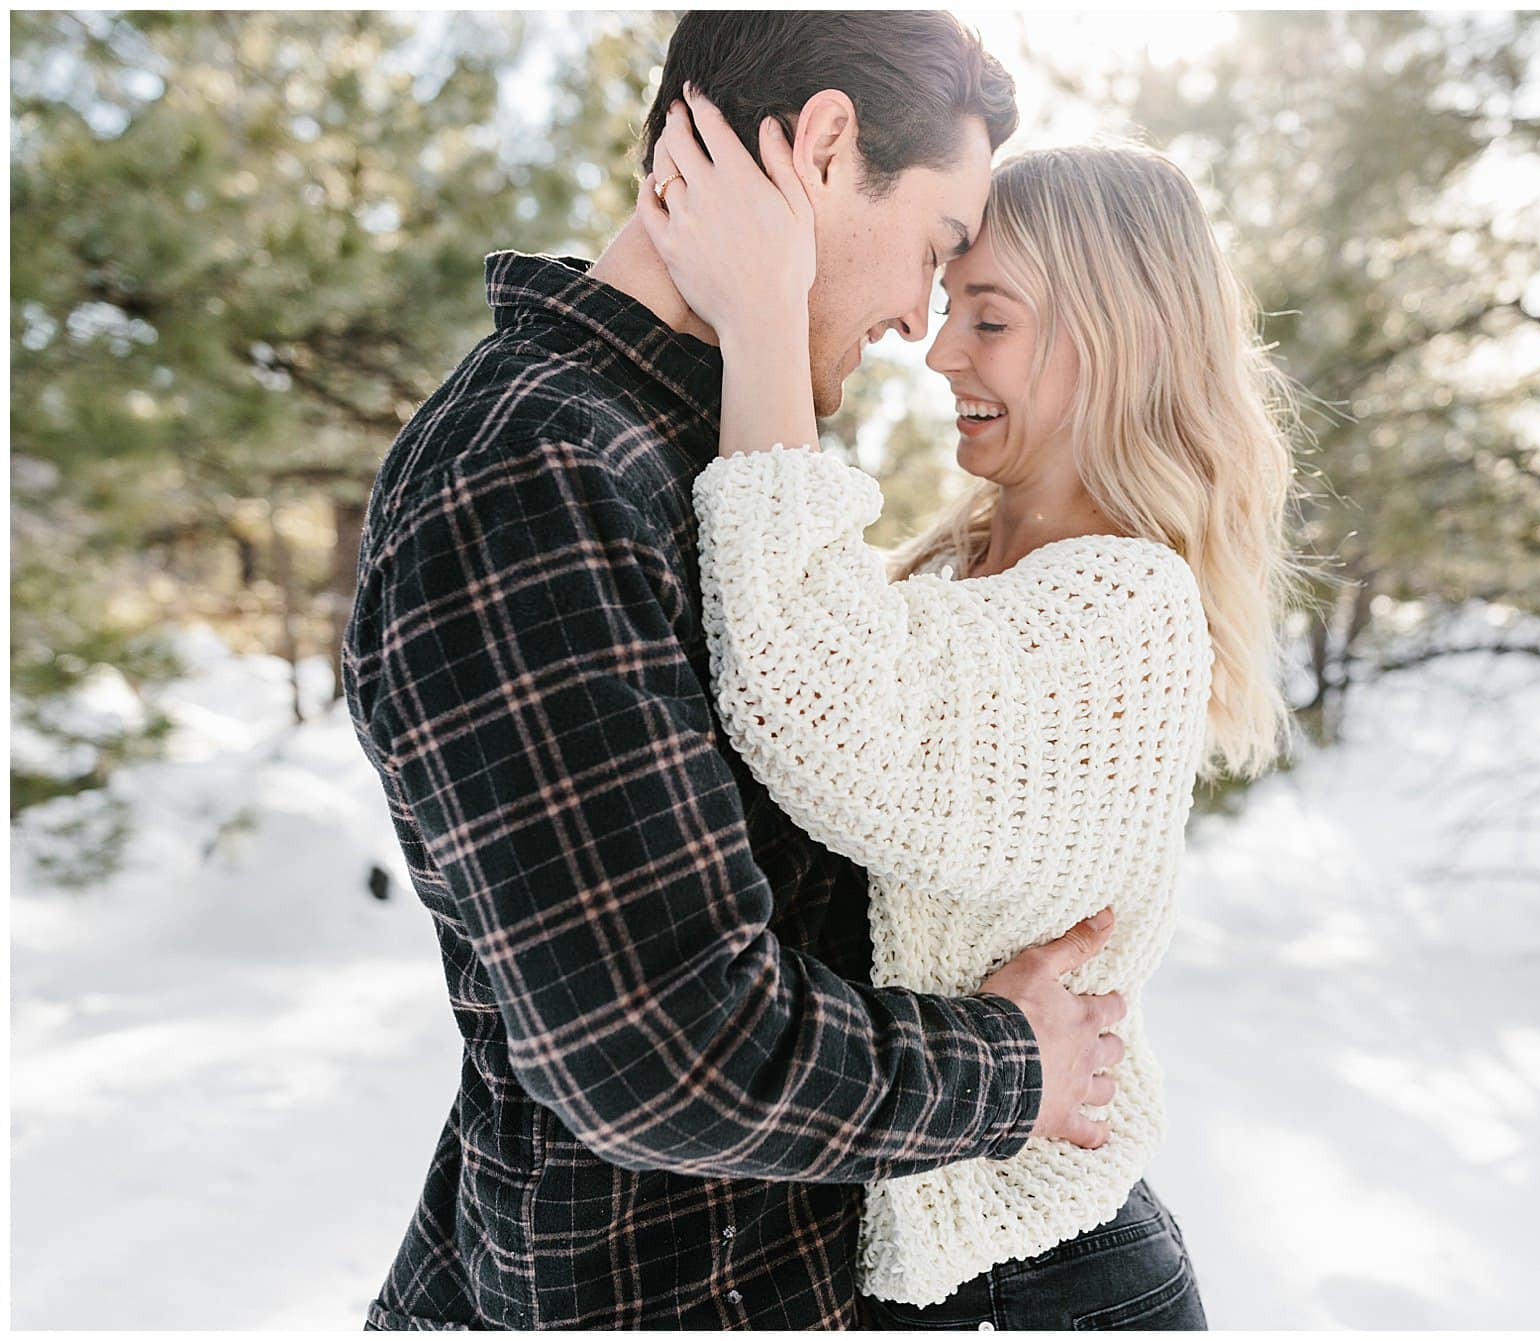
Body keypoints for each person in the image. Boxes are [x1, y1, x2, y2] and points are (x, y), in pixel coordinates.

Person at [342, 13, 1130, 1330]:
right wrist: (1013, 1067)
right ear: (825, 146)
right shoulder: (538, 470)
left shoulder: (682, 452)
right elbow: (663, 1046)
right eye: (935, 247)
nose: (916, 318)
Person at [635, 80, 1301, 1328]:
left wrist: (765, 320)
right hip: (914, 1255)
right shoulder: (957, 571)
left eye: (986, 319)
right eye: (948, 309)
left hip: (1033, 1281)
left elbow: (819, 712)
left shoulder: (1125, 610)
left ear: (1116, 341)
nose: (938, 352)